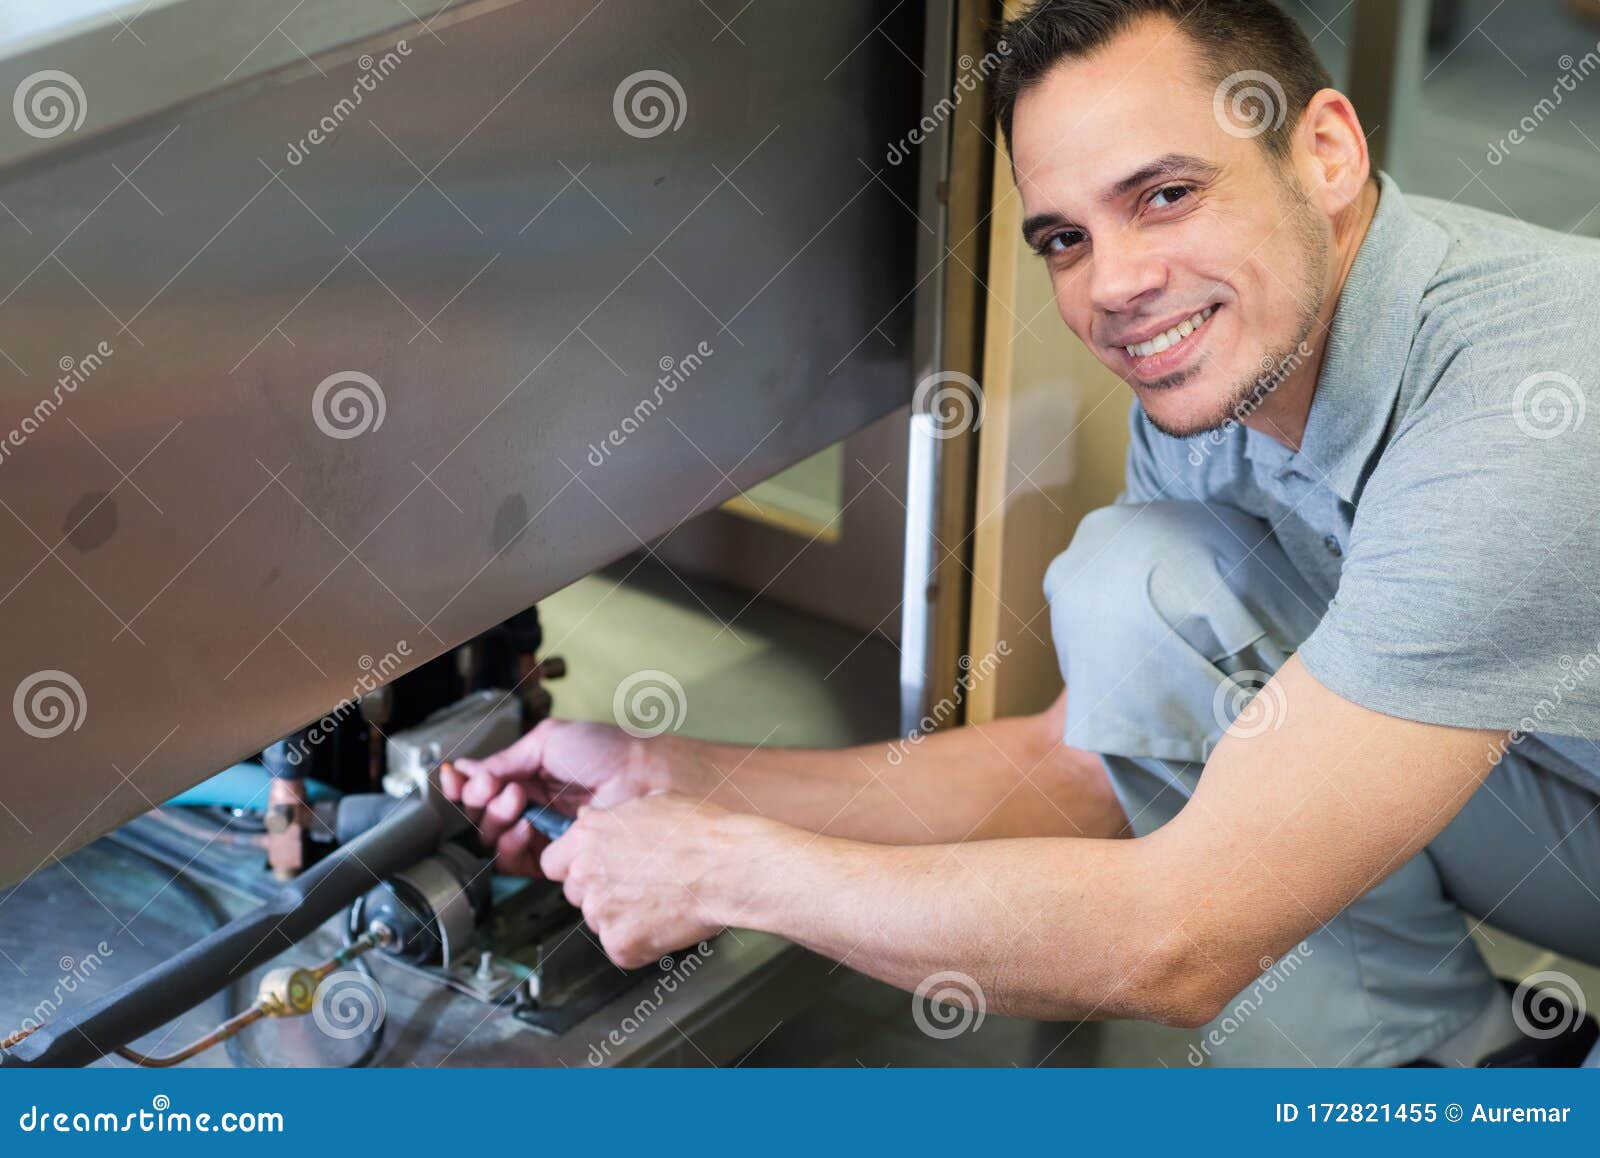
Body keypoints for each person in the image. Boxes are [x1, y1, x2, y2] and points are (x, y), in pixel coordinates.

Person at [445, 0, 1600, 1065]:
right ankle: (1460, 1081)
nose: (1115, 285)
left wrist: (732, 873)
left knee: (1212, 871)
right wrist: (674, 779)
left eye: (1164, 195)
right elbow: (1079, 764)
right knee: (1137, 588)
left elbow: (1180, 942)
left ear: (1327, 152)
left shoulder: (1522, 404)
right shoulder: (1229, 364)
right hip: (1551, 786)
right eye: (1065, 239)